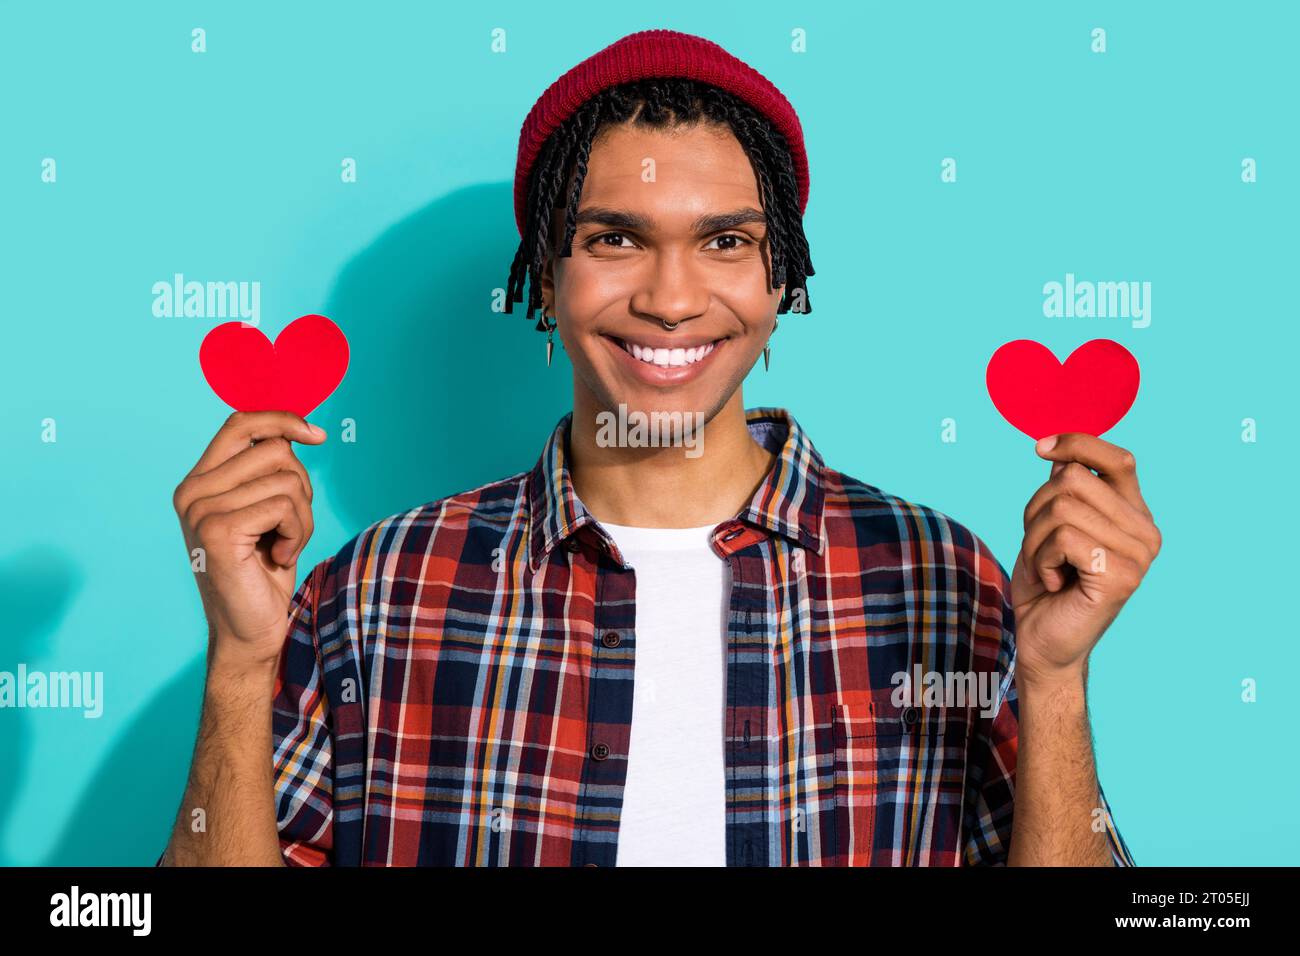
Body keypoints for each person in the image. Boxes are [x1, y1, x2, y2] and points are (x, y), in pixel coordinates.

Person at [160, 29, 1159, 867]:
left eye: (725, 241)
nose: (673, 298)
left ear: (783, 282)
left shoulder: (942, 577)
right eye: (614, 239)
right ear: (542, 281)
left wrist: (1056, 680)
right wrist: (242, 662)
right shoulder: (377, 589)